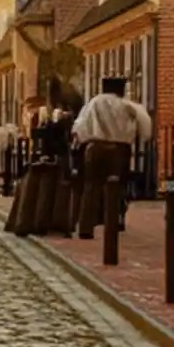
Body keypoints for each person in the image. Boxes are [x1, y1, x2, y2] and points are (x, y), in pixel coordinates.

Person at [71, 75, 152, 239]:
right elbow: (145, 125)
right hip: (119, 149)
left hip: (95, 147)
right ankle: (113, 223)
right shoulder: (126, 104)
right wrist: (139, 136)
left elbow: (79, 126)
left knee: (90, 187)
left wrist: (81, 141)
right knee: (116, 187)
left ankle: (86, 228)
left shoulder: (93, 103)